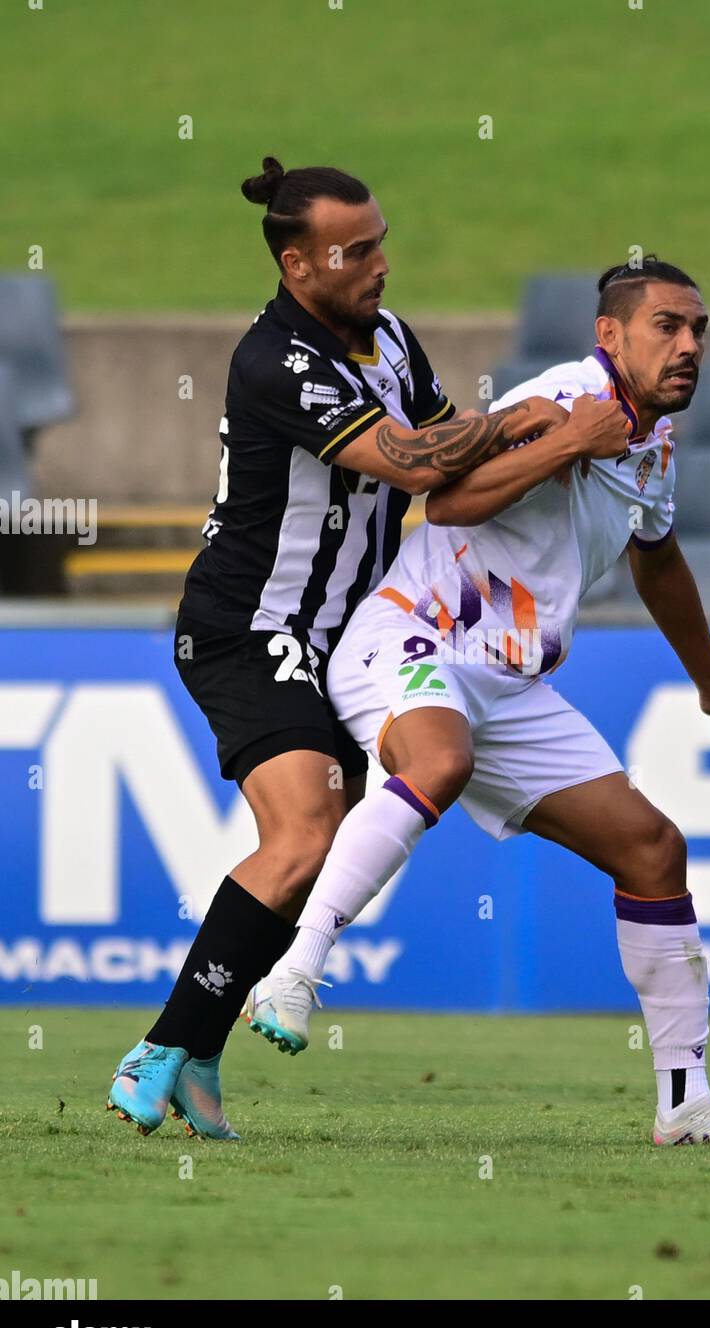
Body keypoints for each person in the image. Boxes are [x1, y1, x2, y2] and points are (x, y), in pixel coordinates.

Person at [106, 156, 599, 1140]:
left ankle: (196, 1045)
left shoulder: (388, 338)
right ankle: (164, 1044)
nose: (380, 262)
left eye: (382, 240)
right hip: (251, 628)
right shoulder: (277, 360)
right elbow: (411, 460)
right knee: (304, 833)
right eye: (356, 249)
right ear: (298, 263)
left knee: (317, 843)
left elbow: (441, 431)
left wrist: (531, 441)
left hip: (344, 636)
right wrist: (526, 428)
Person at [246, 256, 710, 1148]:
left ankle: (684, 1103)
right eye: (666, 326)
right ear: (608, 335)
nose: (689, 344)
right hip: (410, 635)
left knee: (653, 850)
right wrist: (568, 440)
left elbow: (657, 558)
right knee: (439, 762)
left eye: (697, 330)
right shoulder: (564, 396)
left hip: (505, 679)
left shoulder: (651, 438)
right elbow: (447, 505)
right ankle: (296, 970)